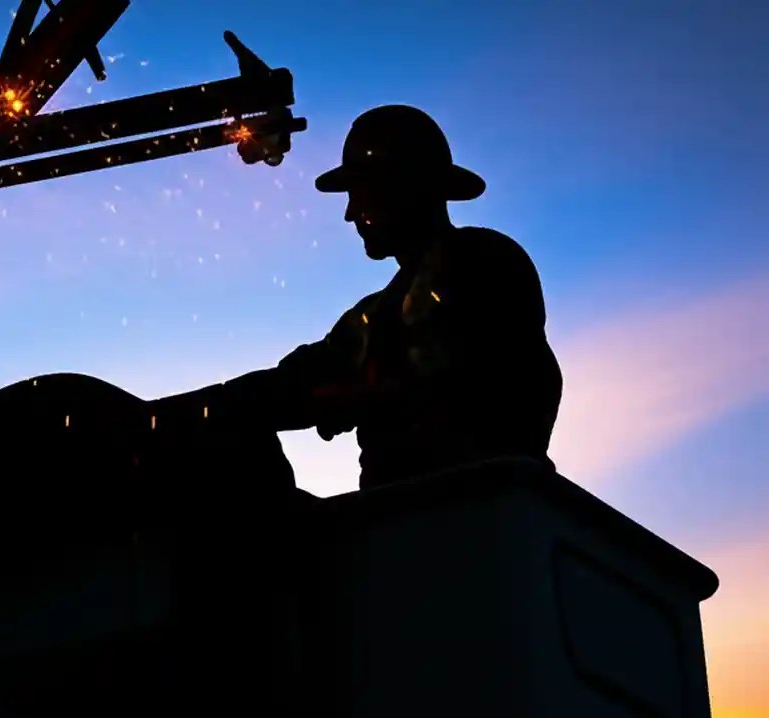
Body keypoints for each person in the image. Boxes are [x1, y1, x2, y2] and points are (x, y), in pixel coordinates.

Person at [150, 104, 563, 489]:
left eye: (360, 192)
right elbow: (290, 384)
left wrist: (360, 398)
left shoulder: (483, 261)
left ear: (404, 187)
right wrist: (165, 418)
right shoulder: (373, 315)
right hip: (411, 523)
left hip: (473, 513)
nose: (350, 213)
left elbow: (472, 382)